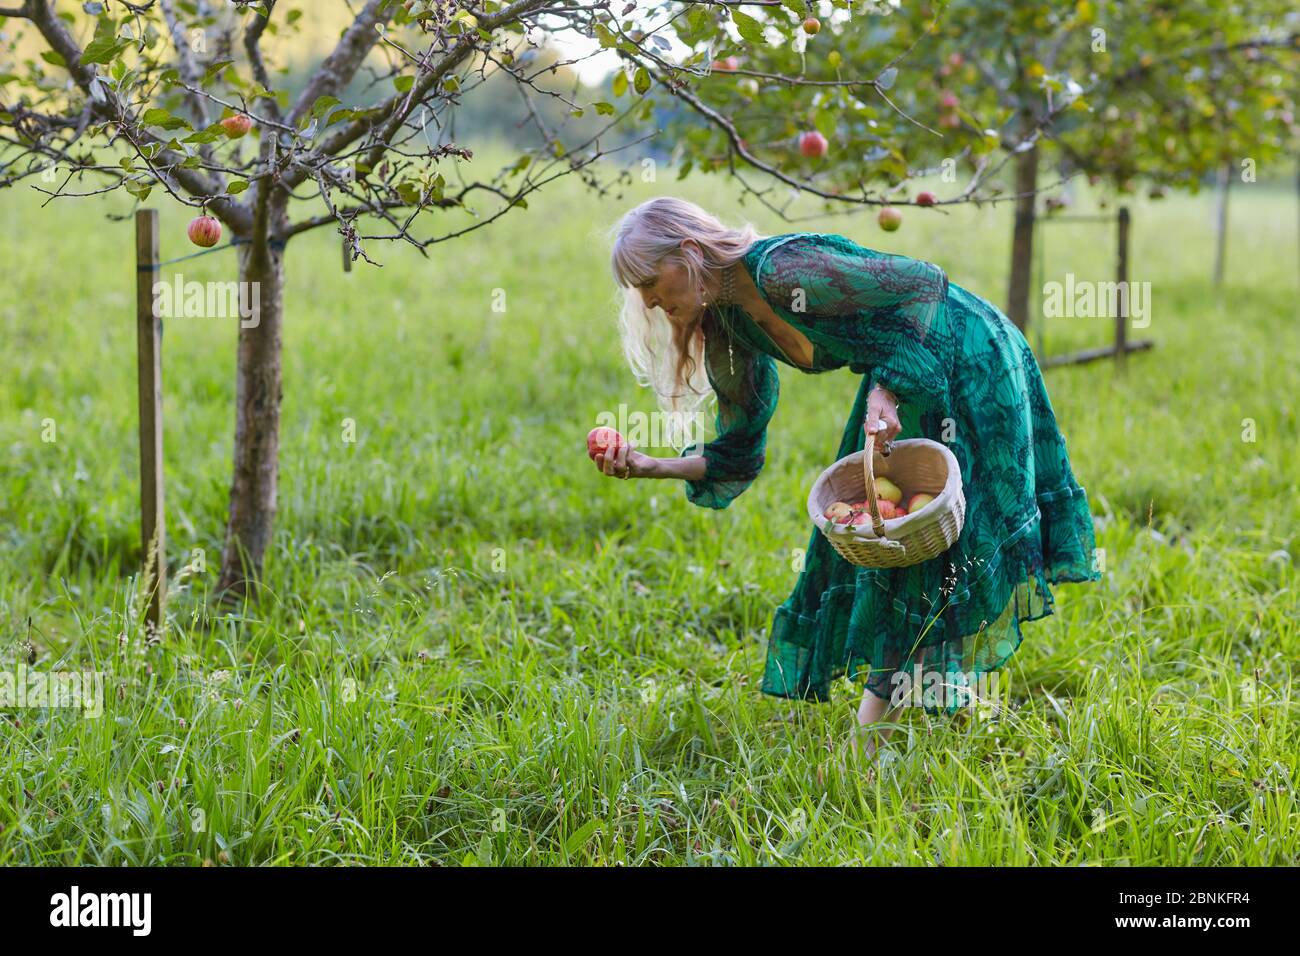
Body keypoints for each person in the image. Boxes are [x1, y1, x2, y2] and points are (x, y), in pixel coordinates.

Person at [599, 196, 1102, 759]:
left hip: (964, 348)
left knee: (951, 524)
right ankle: (943, 704)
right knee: (889, 537)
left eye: (648, 279)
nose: (646, 299)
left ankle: (870, 746)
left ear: (689, 253)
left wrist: (885, 390)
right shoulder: (729, 323)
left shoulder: (782, 270)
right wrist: (651, 465)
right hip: (900, 375)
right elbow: (739, 450)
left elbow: (923, 288)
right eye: (637, 289)